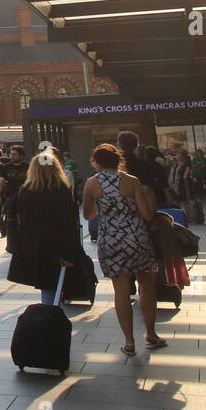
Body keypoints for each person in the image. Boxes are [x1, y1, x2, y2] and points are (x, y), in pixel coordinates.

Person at [82, 143, 164, 356]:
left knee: (121, 290)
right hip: (137, 237)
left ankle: (129, 341)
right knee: (147, 286)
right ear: (118, 160)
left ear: (96, 162)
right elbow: (147, 215)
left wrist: (103, 206)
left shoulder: (92, 183)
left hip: (111, 239)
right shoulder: (131, 181)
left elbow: (87, 215)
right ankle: (151, 333)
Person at [9, 152, 94, 305]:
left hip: (33, 245)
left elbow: (12, 215)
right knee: (52, 285)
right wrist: (70, 253)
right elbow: (69, 224)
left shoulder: (25, 191)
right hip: (57, 246)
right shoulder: (61, 191)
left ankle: (50, 314)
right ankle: (52, 317)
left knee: (46, 286)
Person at [0, 145, 28, 247]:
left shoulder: (28, 167)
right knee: (10, 221)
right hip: (10, 199)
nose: (11, 156)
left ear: (21, 156)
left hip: (25, 199)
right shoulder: (7, 167)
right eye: (11, 154)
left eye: (14, 155)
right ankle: (12, 244)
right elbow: (1, 182)